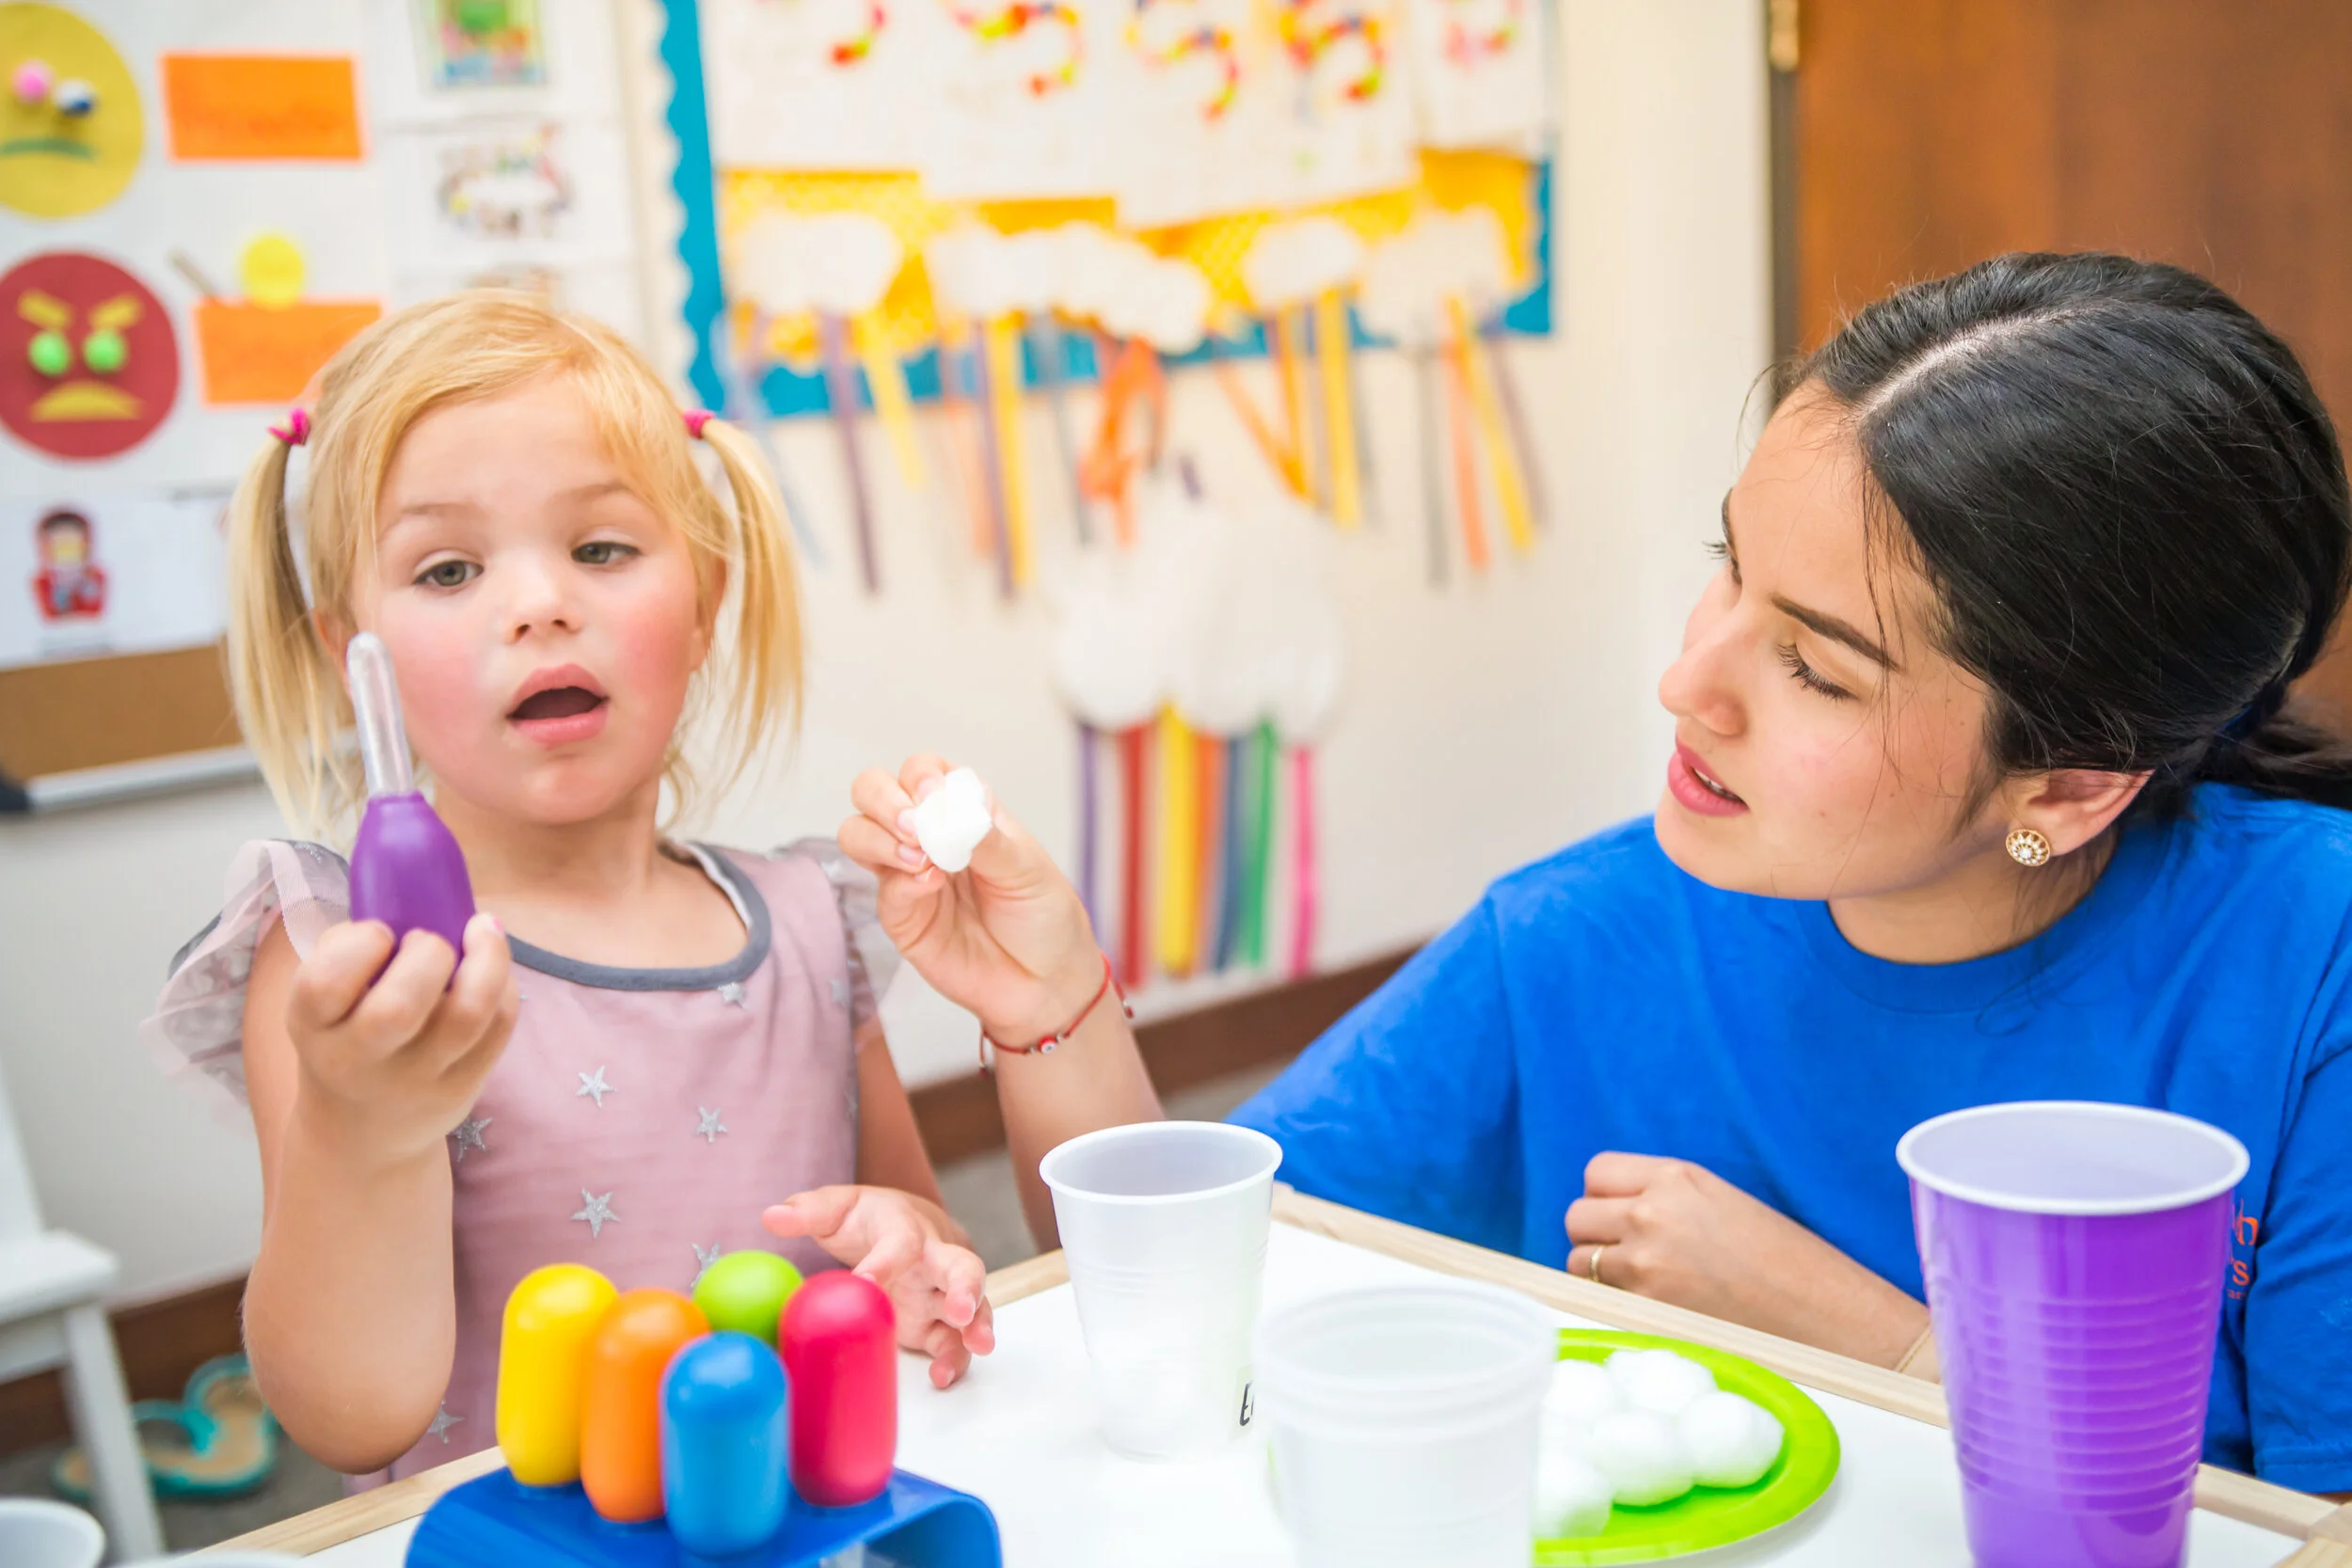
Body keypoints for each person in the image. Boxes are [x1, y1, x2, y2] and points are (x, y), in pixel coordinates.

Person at [1229, 253, 2352, 1495]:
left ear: (2069, 785)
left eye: (1818, 669)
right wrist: (1069, 1013)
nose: (1686, 684)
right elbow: (1203, 1267)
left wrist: (1877, 1337)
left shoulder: (2312, 961)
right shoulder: (1571, 937)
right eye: (1730, 564)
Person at [144, 293, 1159, 1481]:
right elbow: (348, 1416)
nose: (540, 604)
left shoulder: (806, 923)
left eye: (601, 549)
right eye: (449, 568)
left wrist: (911, 1252)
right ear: (348, 653)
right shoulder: (343, 955)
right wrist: (364, 1126)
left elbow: (919, 1229)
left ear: (706, 602)